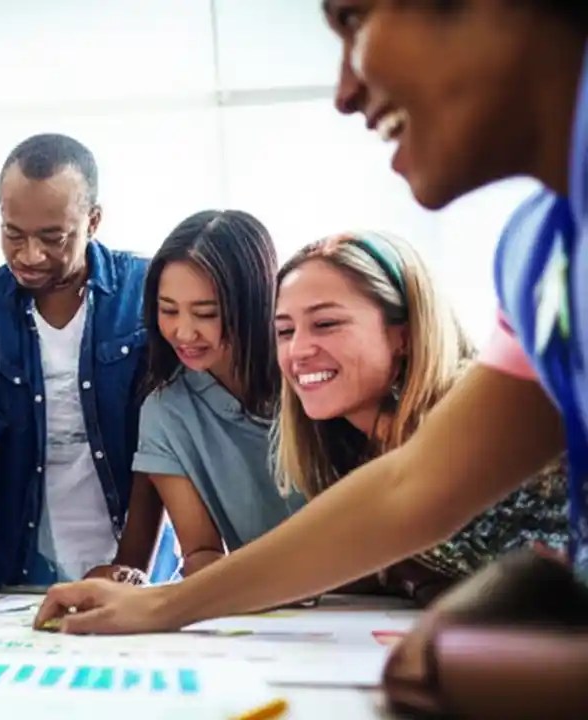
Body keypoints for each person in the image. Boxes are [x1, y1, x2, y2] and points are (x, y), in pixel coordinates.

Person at [34, 0, 588, 634]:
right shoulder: (540, 255)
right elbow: (410, 489)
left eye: (353, 21)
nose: (346, 93)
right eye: (286, 328)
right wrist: (163, 603)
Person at [0, 133, 177, 601]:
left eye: (52, 238)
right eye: (12, 234)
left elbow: (160, 444)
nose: (29, 255)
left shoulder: (145, 292)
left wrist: (129, 567)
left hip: (135, 551)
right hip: (19, 560)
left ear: (93, 221)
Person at [273, 232, 565, 605]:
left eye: (326, 324)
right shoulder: (353, 451)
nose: (297, 350)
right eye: (284, 331)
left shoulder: (472, 409)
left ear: (404, 336)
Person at [84, 210, 303, 581]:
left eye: (206, 313)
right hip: (269, 600)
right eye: (168, 310)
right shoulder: (167, 410)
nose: (183, 332)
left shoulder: (308, 378)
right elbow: (201, 551)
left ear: (254, 304)